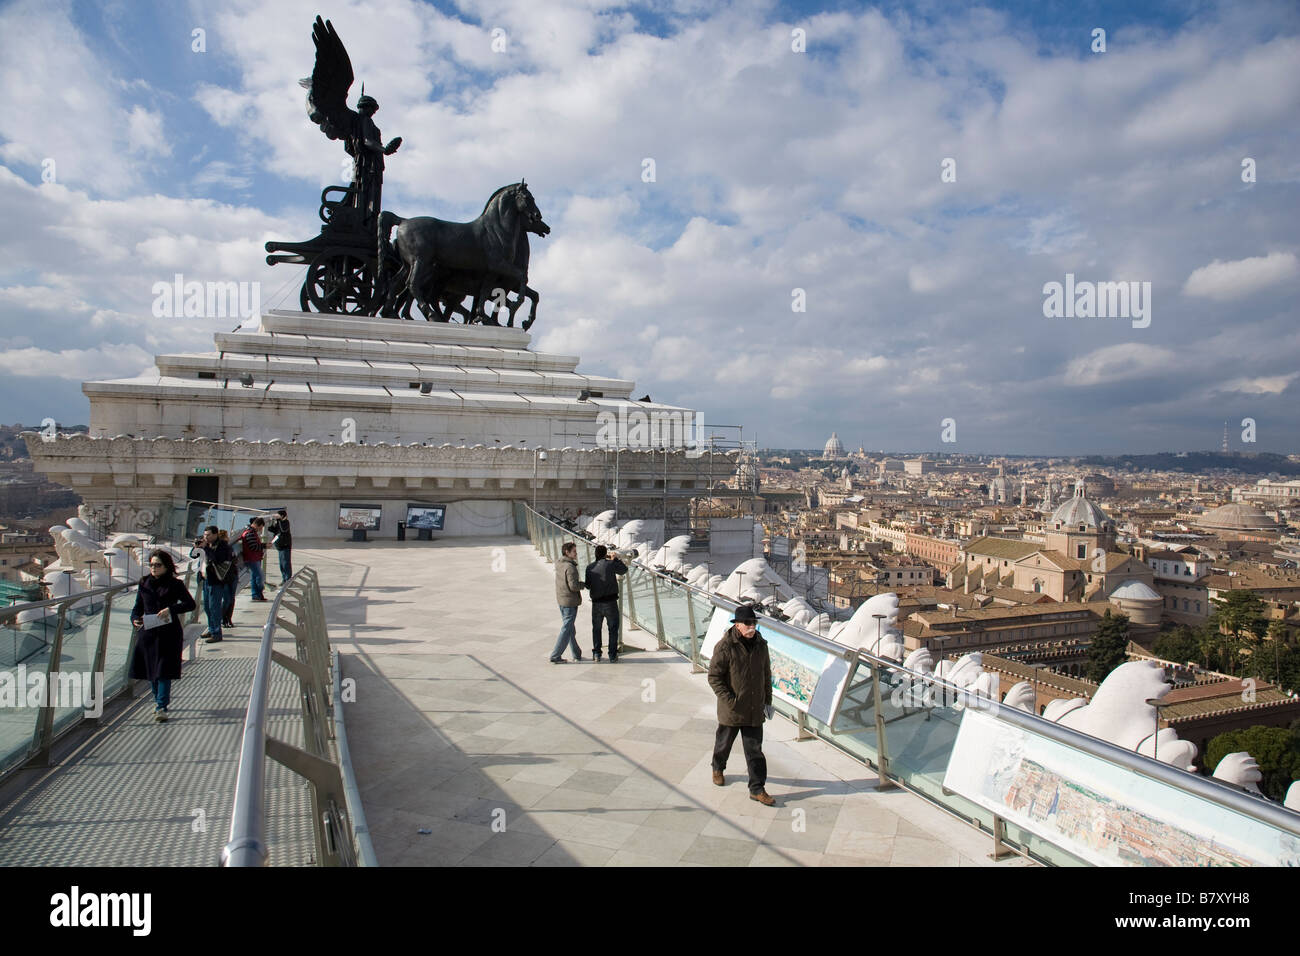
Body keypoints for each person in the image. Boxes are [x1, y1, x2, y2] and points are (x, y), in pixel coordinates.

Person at [707, 604, 776, 806]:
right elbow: (714, 677)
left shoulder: (761, 645)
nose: (751, 626)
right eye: (747, 623)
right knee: (724, 743)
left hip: (754, 708)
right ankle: (718, 767)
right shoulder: (725, 647)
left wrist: (767, 701)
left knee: (755, 750)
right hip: (733, 709)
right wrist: (730, 701)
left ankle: (757, 788)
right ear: (737, 625)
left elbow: (766, 675)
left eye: (753, 622)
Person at [130, 549, 197, 722]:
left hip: (169, 633)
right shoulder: (144, 582)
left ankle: (161, 706)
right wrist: (135, 618)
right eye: (151, 565)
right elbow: (138, 606)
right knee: (152, 670)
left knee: (163, 670)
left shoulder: (175, 584)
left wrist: (171, 610)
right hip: (149, 632)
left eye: (157, 565)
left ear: (166, 566)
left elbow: (190, 604)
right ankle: (157, 701)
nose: (153, 568)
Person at [584, 544, 627, 662]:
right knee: (613, 629)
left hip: (596, 603)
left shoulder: (589, 567)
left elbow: (587, 585)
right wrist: (615, 559)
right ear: (605, 554)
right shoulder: (610, 564)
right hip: (610, 602)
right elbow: (624, 570)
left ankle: (597, 653)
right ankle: (612, 655)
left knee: (596, 628)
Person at [196, 526, 235, 643]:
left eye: (208, 535)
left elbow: (216, 559)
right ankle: (212, 629)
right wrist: (198, 547)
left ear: (215, 534)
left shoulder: (223, 546)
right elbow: (193, 555)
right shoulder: (206, 545)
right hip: (206, 579)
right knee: (207, 607)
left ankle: (217, 633)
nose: (205, 537)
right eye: (204, 535)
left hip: (216, 581)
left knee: (214, 608)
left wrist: (205, 548)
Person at [550, 541, 584, 663]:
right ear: (567, 552)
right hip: (569, 601)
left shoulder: (559, 563)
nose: (576, 553)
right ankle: (555, 655)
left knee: (569, 628)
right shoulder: (570, 567)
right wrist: (583, 584)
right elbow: (574, 586)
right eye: (574, 551)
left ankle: (576, 653)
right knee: (567, 629)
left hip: (561, 599)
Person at [237, 516, 268, 602]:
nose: (261, 529)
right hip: (252, 558)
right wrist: (264, 545)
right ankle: (258, 593)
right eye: (261, 527)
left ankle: (255, 595)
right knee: (259, 576)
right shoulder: (250, 533)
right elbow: (253, 547)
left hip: (253, 558)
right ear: (258, 525)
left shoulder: (250, 532)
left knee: (254, 576)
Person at [267, 509, 292, 586]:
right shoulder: (278, 522)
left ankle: (288, 580)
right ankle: (284, 579)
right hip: (280, 546)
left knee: (285, 563)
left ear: (282, 516)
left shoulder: (286, 522)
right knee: (281, 564)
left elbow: (283, 530)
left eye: (278, 515)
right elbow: (271, 529)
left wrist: (279, 521)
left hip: (285, 545)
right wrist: (271, 522)